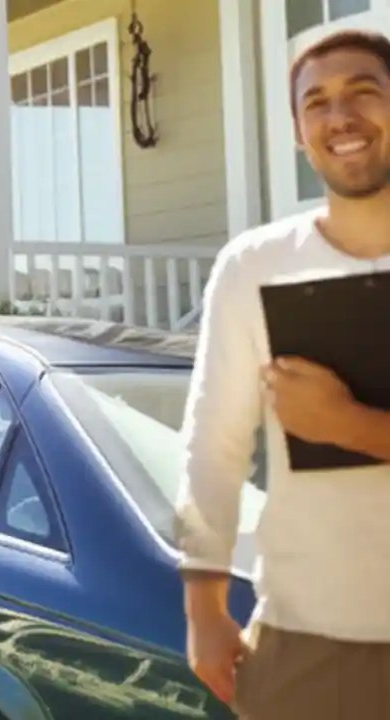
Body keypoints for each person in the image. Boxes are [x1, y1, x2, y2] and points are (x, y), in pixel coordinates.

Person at [177, 28, 390, 718]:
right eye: (317, 103)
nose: (341, 118)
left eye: (365, 92)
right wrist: (204, 606)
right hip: (306, 645)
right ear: (299, 134)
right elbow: (213, 446)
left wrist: (349, 425)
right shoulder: (253, 267)